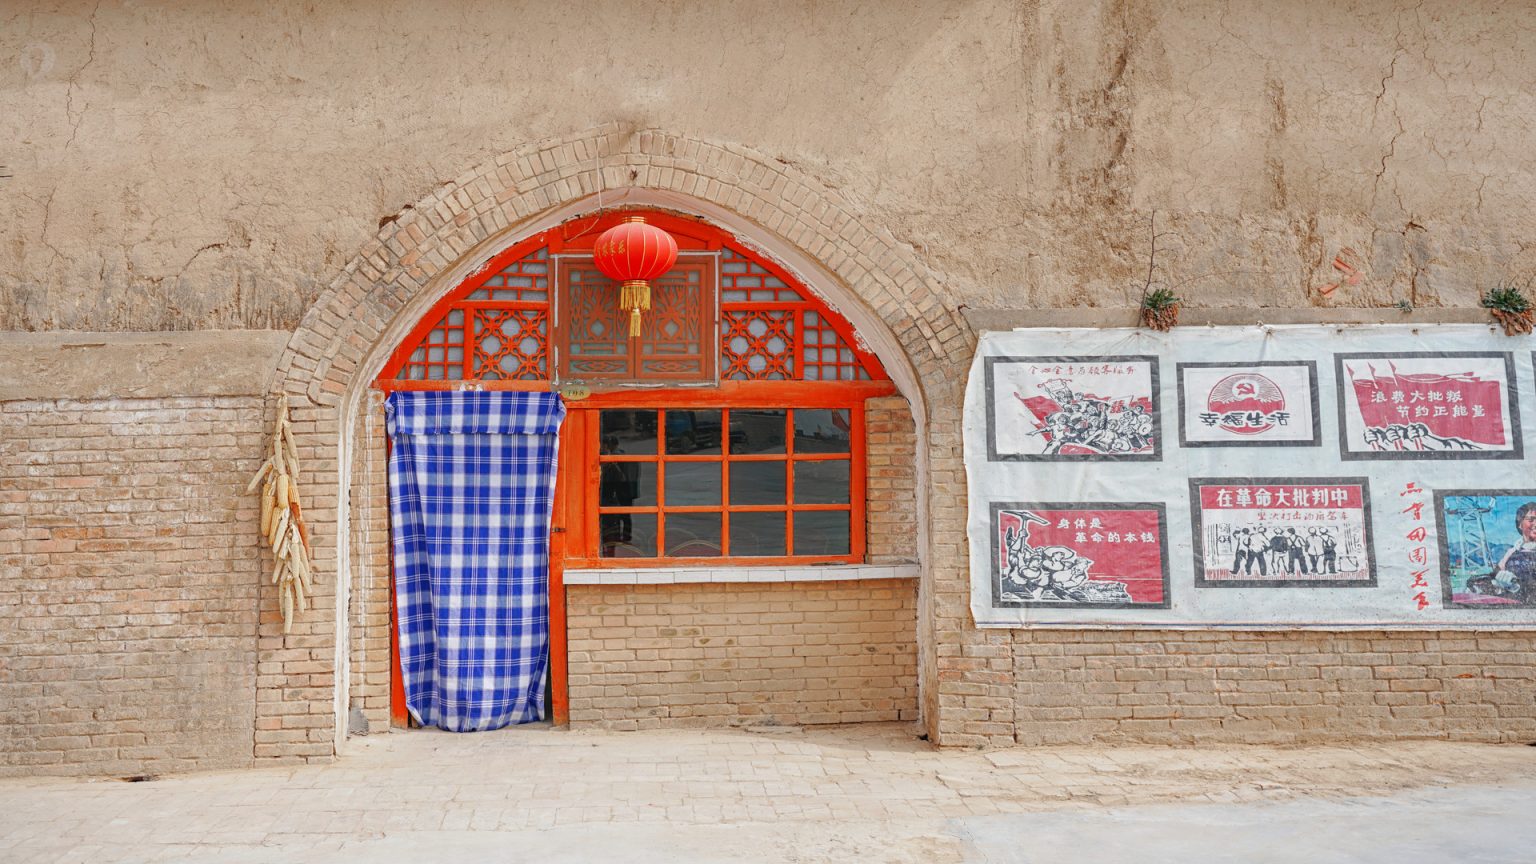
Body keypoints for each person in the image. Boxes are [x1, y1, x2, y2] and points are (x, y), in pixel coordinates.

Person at [1489, 502, 1536, 600]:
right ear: (1520, 524)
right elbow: (1495, 574)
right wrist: (1500, 580)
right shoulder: (1512, 552)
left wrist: (1518, 587)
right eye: (1531, 520)